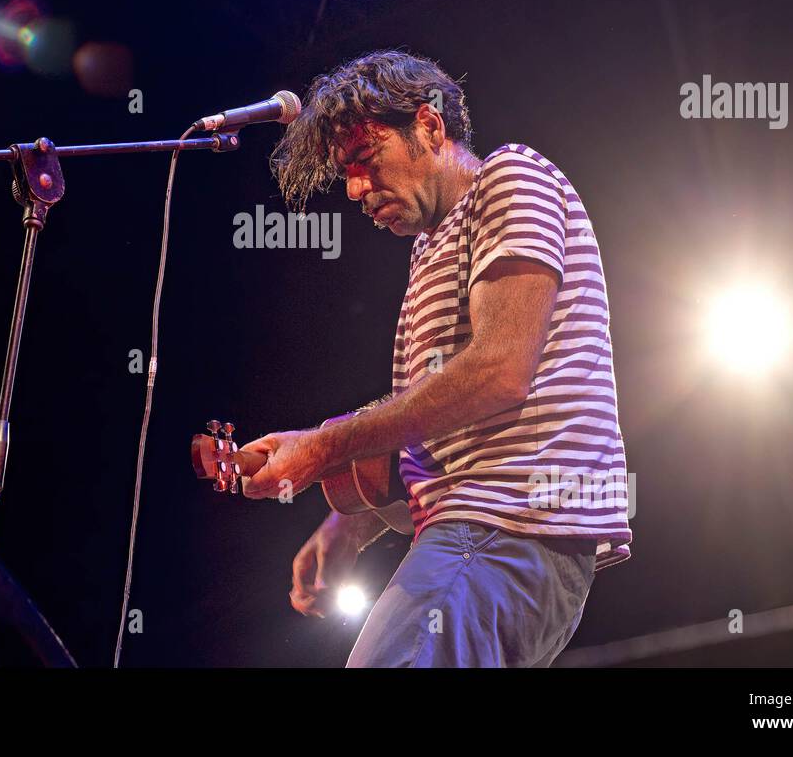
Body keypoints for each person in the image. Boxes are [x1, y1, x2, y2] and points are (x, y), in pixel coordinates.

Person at [239, 49, 632, 667]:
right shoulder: (431, 245)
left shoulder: (509, 178)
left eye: (366, 160)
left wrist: (326, 445)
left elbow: (500, 372)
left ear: (429, 125)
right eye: (346, 173)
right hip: (480, 532)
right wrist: (354, 521)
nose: (356, 189)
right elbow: (441, 418)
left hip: (506, 525)